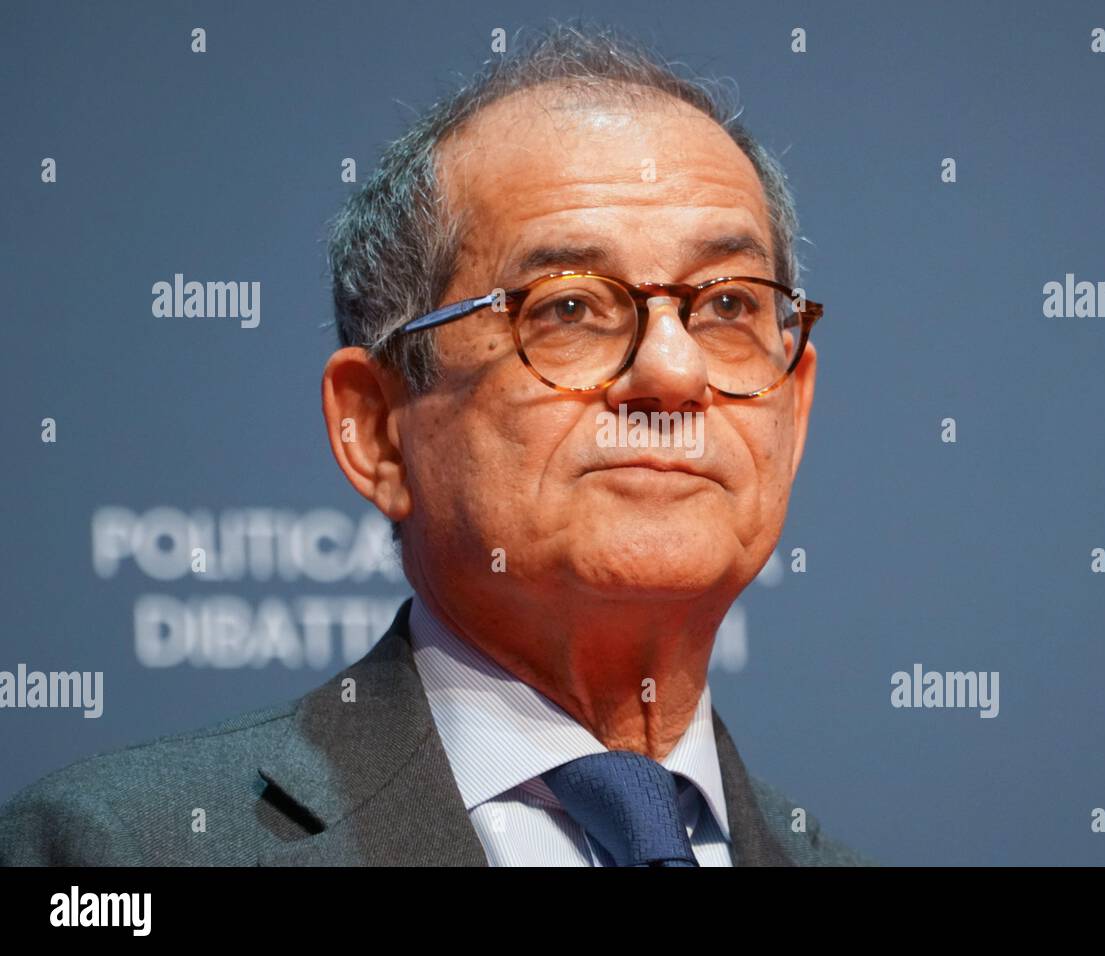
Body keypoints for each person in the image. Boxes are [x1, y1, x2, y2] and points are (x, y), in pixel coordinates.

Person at [0, 23, 866, 867]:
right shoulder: (118, 850)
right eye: (566, 308)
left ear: (792, 411)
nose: (674, 373)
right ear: (378, 428)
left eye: (728, 306)